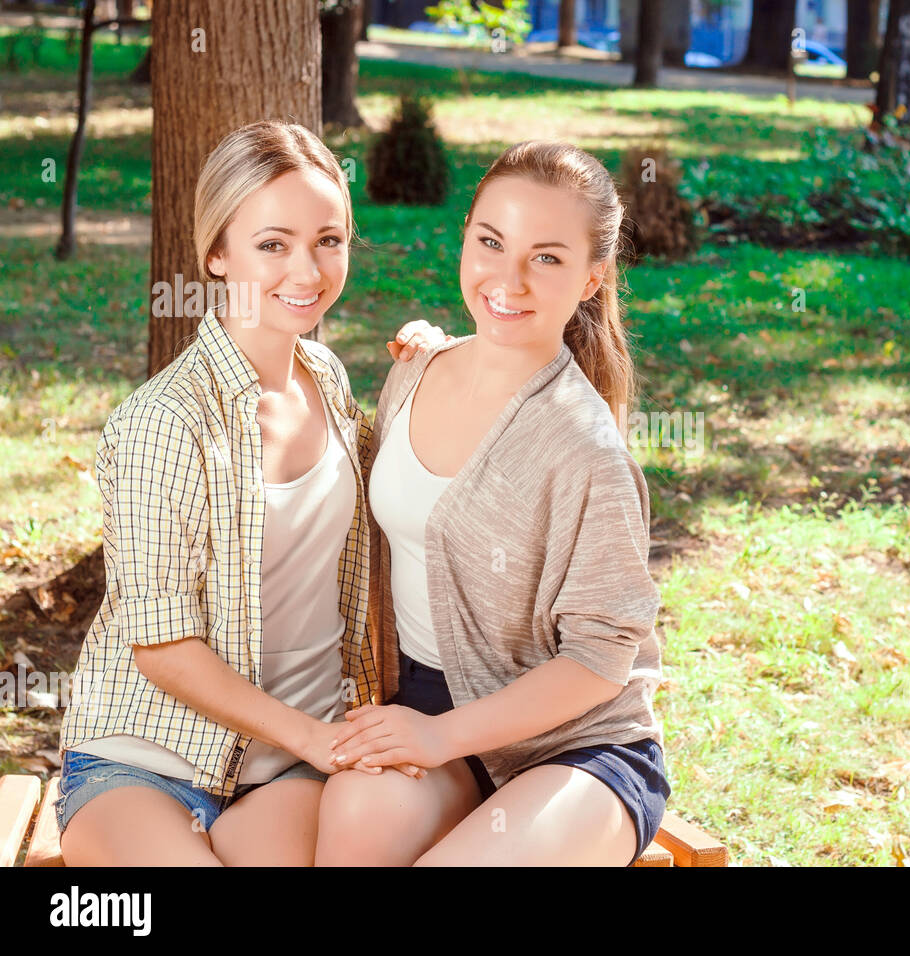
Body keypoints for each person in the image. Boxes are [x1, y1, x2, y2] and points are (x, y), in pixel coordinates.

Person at [56, 120, 445, 865]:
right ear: (216, 253)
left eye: (328, 240)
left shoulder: (327, 380)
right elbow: (163, 648)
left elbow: (399, 487)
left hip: (288, 767)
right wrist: (316, 739)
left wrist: (425, 371)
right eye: (274, 244)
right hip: (144, 760)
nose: (307, 269)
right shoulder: (160, 423)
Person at [316, 140, 670, 867]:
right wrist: (433, 731)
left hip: (576, 746)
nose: (508, 279)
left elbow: (603, 662)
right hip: (426, 714)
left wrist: (444, 735)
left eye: (546, 258)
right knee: (354, 817)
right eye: (490, 243)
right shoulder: (417, 374)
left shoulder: (585, 449)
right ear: (466, 237)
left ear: (593, 277)